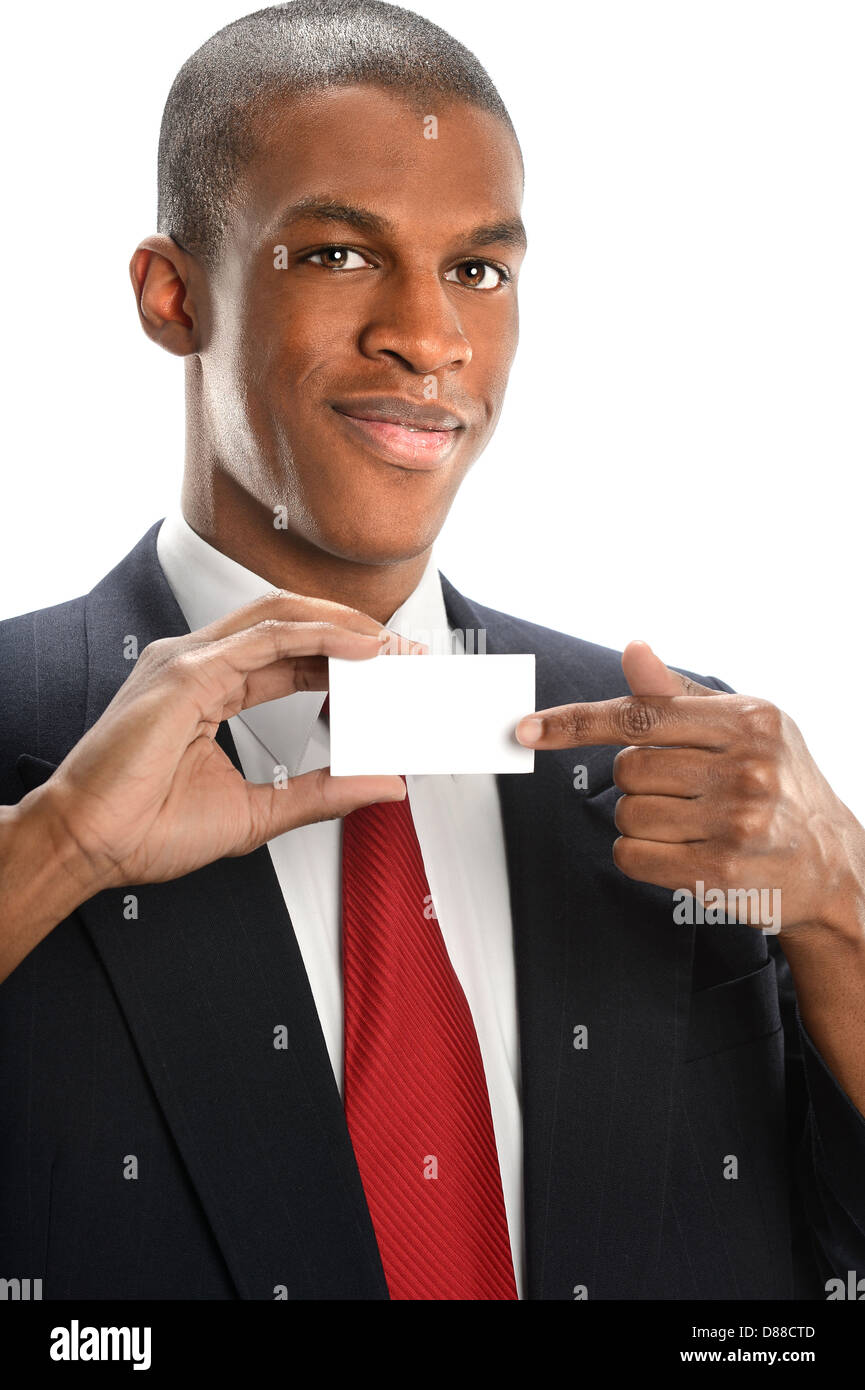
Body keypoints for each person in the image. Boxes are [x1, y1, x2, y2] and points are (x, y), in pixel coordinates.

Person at [1, 0, 864, 1302]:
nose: (428, 335)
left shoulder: (686, 766)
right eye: (340, 255)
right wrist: (58, 841)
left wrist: (845, 915)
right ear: (173, 294)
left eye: (476, 269)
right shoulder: (26, 742)